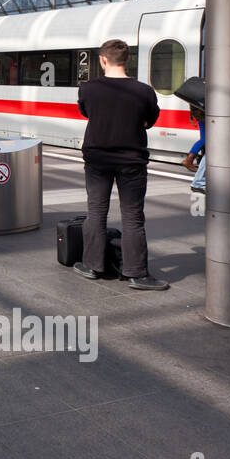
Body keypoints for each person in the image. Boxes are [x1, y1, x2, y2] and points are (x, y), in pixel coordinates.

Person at [74, 39, 163, 290]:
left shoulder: (88, 88)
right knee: (133, 217)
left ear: (103, 59)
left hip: (97, 160)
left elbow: (87, 113)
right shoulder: (144, 91)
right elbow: (150, 120)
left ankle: (92, 266)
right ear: (128, 60)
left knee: (96, 212)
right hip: (132, 162)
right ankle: (136, 273)